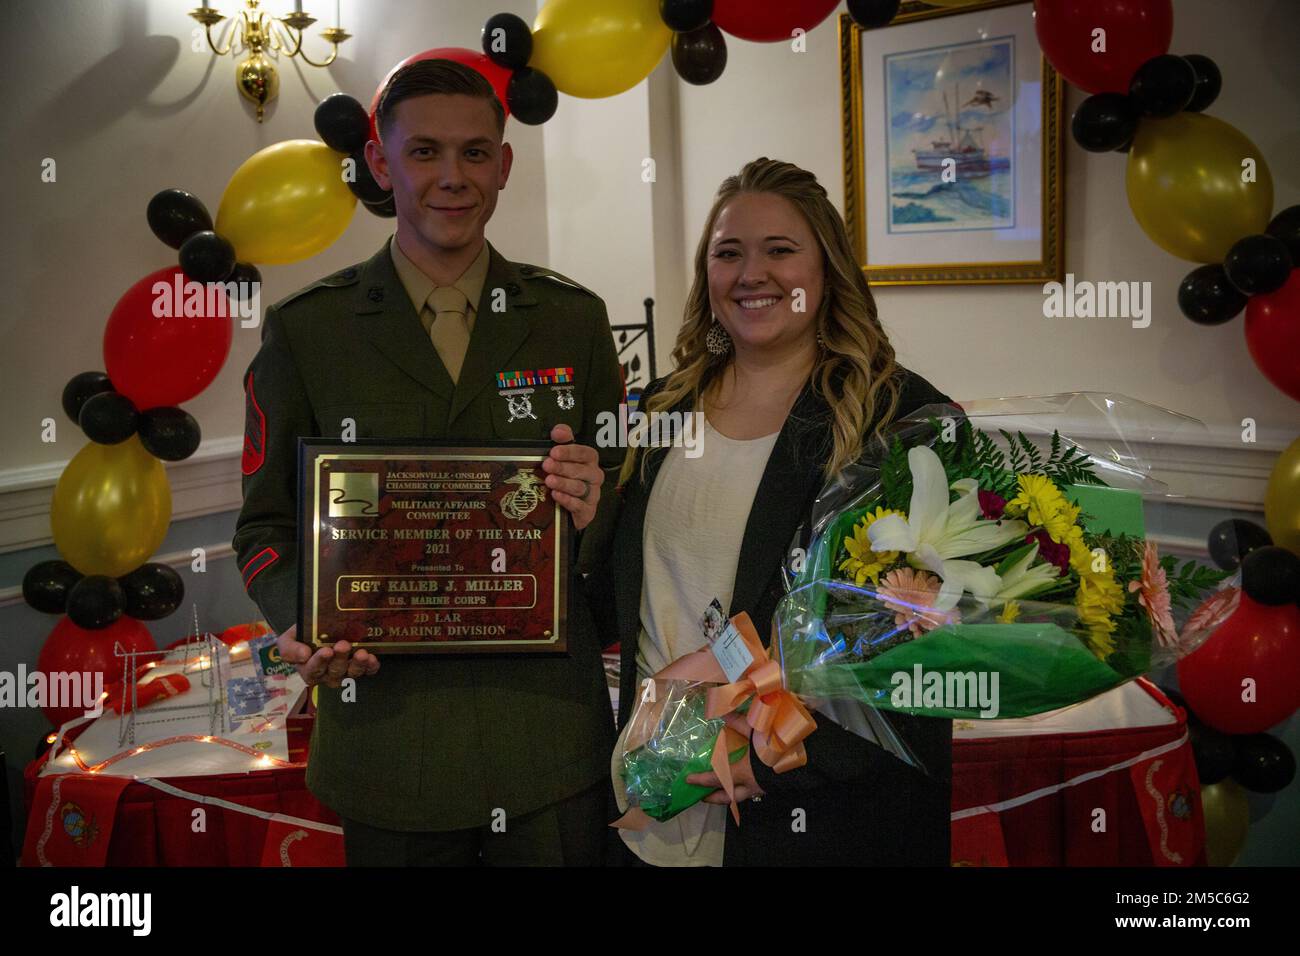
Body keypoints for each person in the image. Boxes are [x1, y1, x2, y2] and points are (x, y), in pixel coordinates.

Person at [233, 59, 625, 866]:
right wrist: (301, 620)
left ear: (505, 165)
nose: (454, 177)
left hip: (545, 742)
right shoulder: (311, 331)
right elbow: (266, 527)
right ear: (381, 163)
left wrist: (599, 503)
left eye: (477, 154)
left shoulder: (574, 322)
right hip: (387, 743)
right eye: (425, 153)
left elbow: (625, 508)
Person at [594, 158, 954, 866]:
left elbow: (919, 644)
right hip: (656, 800)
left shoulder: (897, 415)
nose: (750, 273)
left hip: (813, 814)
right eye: (729, 253)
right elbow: (621, 592)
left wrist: (776, 763)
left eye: (780, 250)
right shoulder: (666, 407)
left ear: (827, 271)